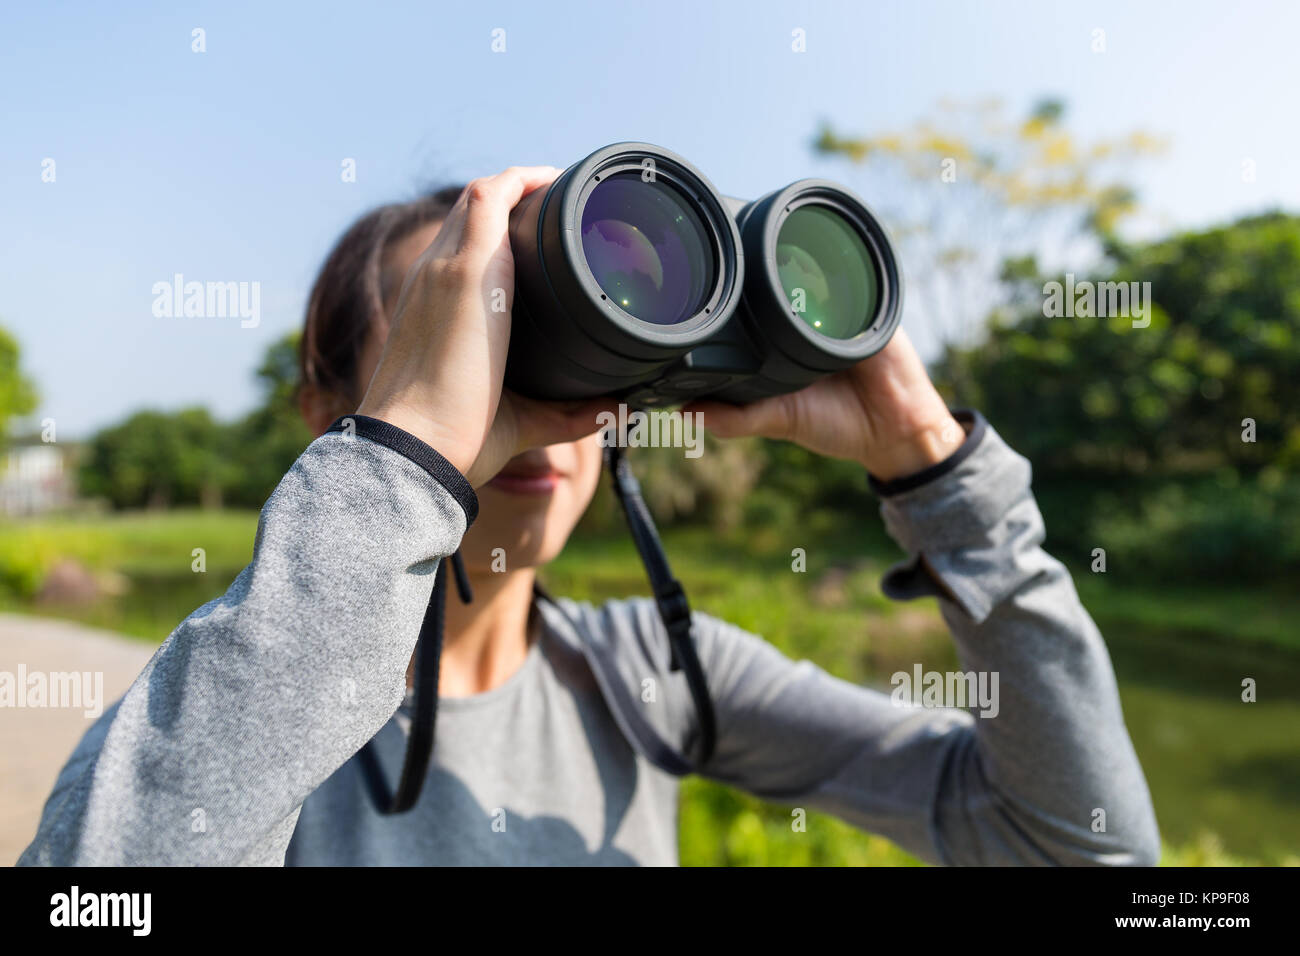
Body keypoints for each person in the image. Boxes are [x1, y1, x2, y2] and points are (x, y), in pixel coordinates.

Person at [20, 166, 1160, 866]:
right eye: (477, 351)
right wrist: (400, 465)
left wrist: (934, 470)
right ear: (332, 405)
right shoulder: (239, 700)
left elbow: (1079, 849)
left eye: (558, 352)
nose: (538, 419)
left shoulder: (655, 670)